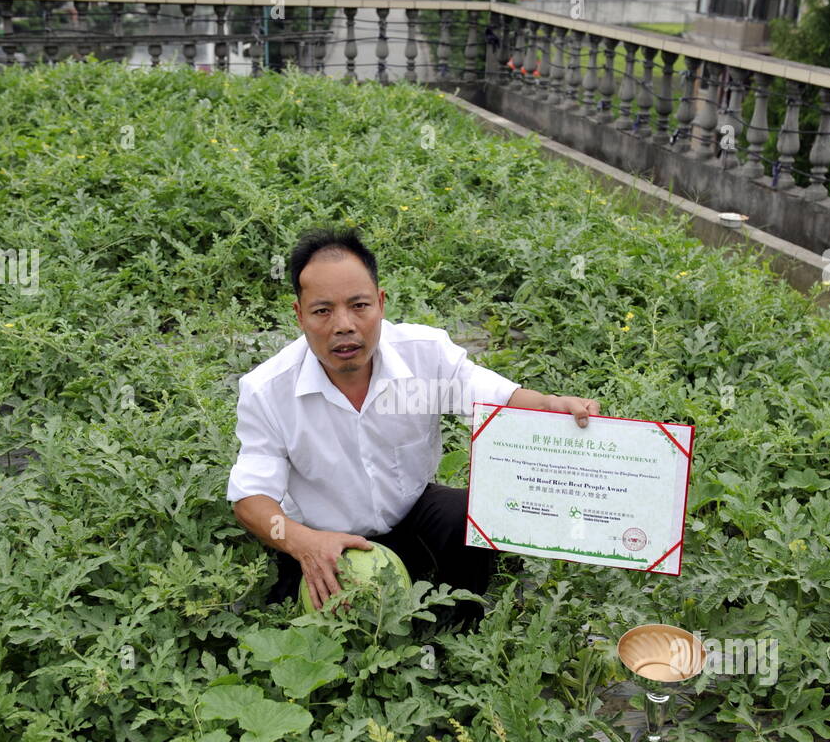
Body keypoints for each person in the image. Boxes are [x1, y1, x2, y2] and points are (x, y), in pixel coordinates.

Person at [227, 226, 600, 632]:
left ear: (381, 303)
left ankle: (458, 632)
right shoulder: (267, 391)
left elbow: (496, 397)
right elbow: (251, 498)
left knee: (466, 513)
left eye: (359, 306)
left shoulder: (425, 356)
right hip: (323, 541)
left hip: (410, 518)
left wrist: (550, 404)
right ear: (299, 315)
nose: (344, 325)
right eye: (322, 311)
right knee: (326, 632)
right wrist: (303, 544)